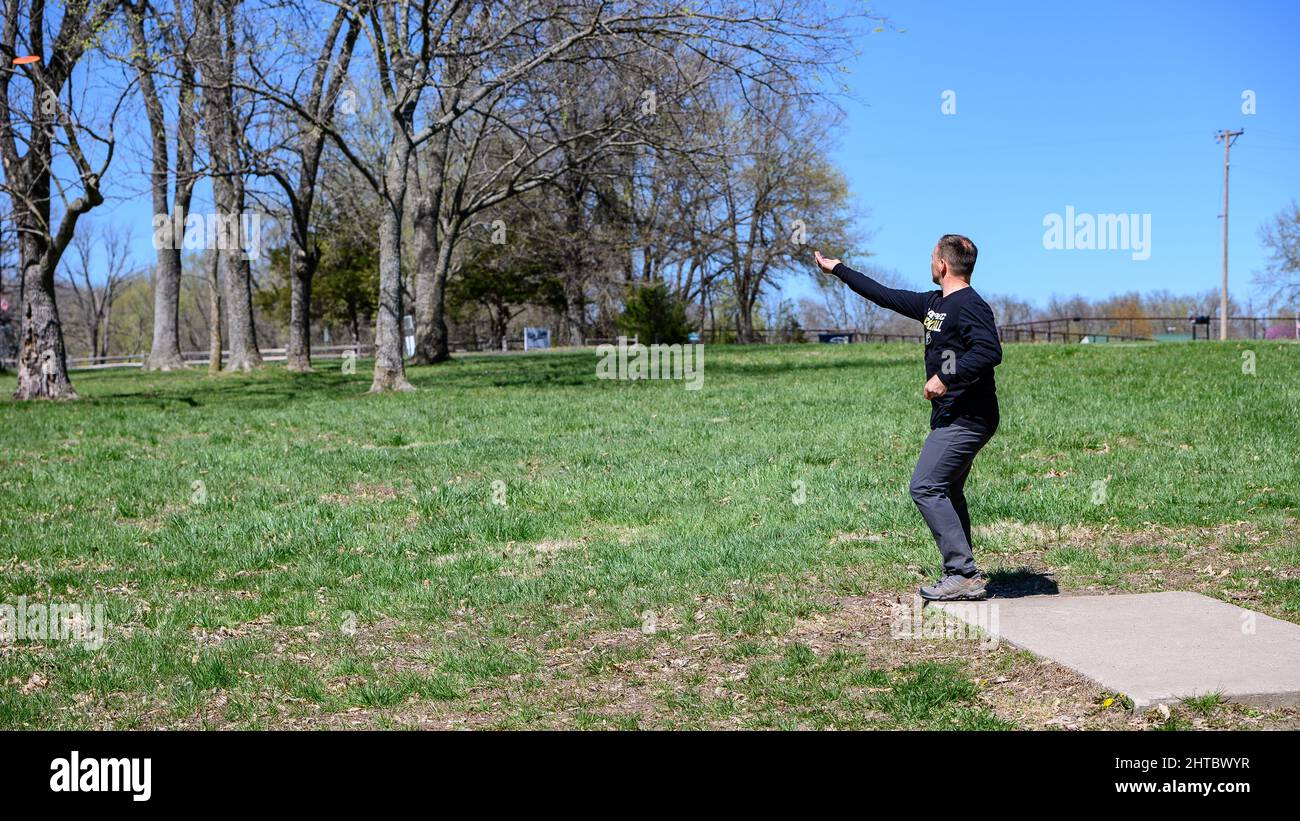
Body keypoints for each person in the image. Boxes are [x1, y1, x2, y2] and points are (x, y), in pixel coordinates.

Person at [813, 235, 1002, 601]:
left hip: (969, 416)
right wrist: (838, 270)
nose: (930, 262)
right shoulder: (934, 304)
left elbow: (989, 351)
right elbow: (883, 294)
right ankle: (962, 571)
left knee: (925, 486)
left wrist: (946, 376)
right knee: (946, 489)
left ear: (943, 264)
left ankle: (962, 572)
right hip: (953, 416)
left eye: (932, 256)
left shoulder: (970, 305)